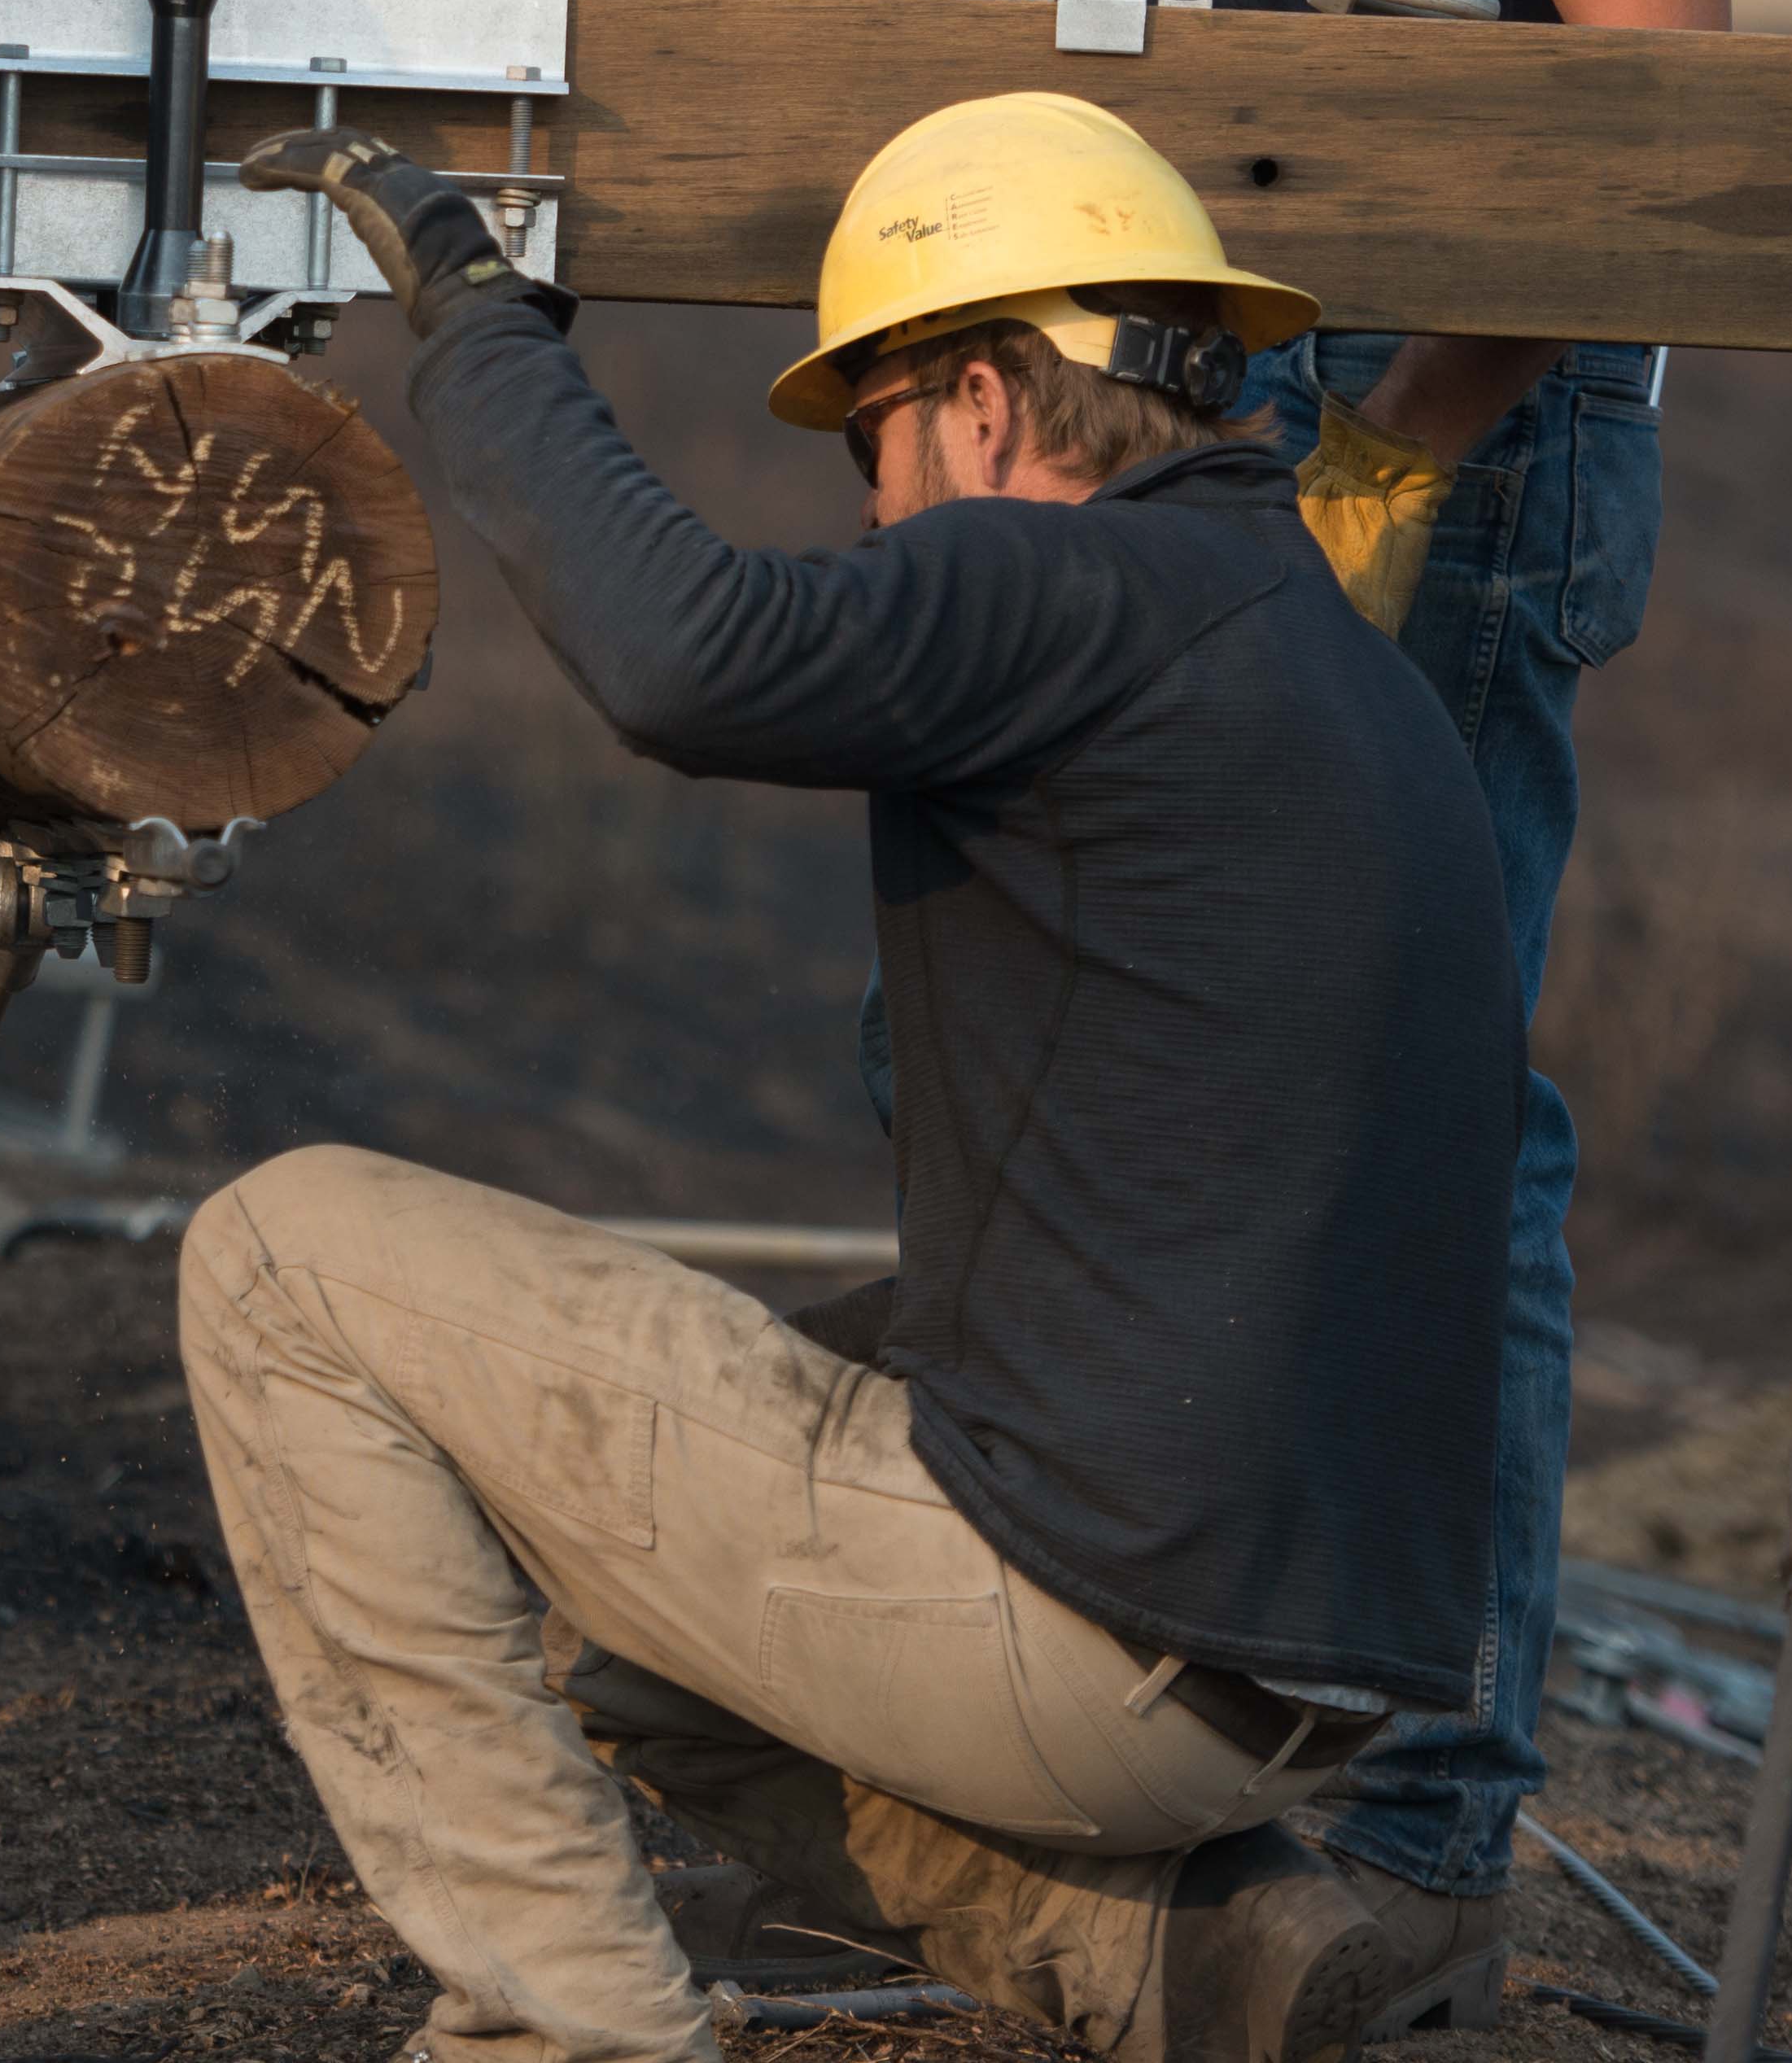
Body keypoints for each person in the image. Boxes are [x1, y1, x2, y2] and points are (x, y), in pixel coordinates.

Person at [431, 0, 1732, 2024]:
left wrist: (1404, 461)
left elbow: (1664, 102)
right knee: (1010, 1034)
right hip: (1157, 362)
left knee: (1413, 1108)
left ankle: (1395, 1823)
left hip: (1428, 394)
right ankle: (1086, 1689)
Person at [194, 100, 1519, 2063]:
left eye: (871, 441)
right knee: (611, 1621)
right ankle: (1187, 1959)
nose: (874, 514)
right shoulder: (1330, 666)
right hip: (1288, 1679)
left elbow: (684, 654)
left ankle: (561, 2031)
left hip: (1079, 1633)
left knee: (273, 1255)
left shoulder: (1078, 591)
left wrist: (473, 312)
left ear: (982, 398)